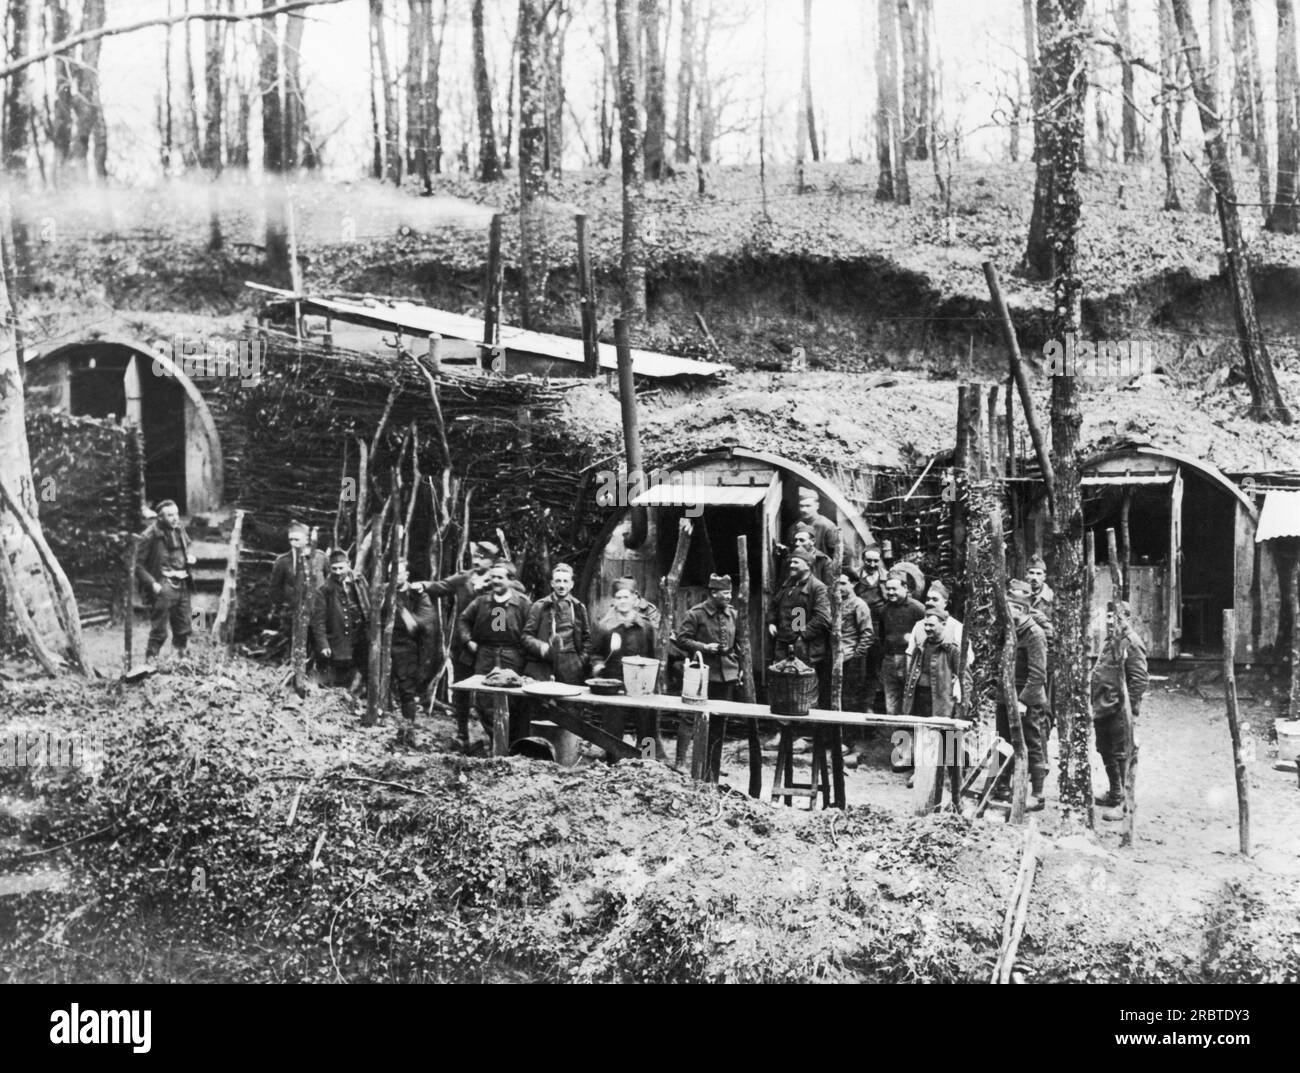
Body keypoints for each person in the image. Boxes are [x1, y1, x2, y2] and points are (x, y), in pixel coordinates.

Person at [421, 540, 509, 742]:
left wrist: (489, 584)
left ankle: (496, 737)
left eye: (483, 558)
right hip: (464, 645)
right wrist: (423, 585)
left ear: (493, 561)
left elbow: (515, 586)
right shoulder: (465, 578)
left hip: (490, 647)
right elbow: (442, 586)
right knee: (462, 691)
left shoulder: (499, 579)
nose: (478, 561)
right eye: (476, 557)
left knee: (488, 694)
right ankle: (462, 733)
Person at [672, 574, 740, 778]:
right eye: (725, 593)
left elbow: (739, 643)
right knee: (690, 718)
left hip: (726, 673)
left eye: (730, 592)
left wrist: (740, 667)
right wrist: (703, 647)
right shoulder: (696, 614)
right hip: (700, 673)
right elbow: (682, 639)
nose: (729, 596)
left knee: (719, 719)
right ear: (713, 593)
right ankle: (681, 762)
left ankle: (713, 763)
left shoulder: (733, 614)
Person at [1091, 600, 1148, 821]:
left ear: (1126, 617)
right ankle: (1115, 792)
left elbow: (1140, 680)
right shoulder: (1110, 641)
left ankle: (1125, 802)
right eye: (1108, 617)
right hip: (1103, 706)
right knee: (1104, 749)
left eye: (1115, 617)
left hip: (1118, 710)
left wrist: (1128, 708)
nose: (1111, 621)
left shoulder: (1130, 642)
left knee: (1121, 753)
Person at [996, 579, 1051, 811]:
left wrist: (1022, 701)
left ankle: (1037, 794)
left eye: (1011, 607)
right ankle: (1001, 786)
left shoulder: (1034, 634)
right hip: (1005, 694)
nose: (1007, 611)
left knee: (1032, 742)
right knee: (1002, 740)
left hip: (1027, 698)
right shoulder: (1008, 630)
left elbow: (1038, 674)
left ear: (1021, 609)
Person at [591, 579, 660, 759]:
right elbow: (595, 653)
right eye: (618, 597)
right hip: (614, 683)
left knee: (647, 725)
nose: (622, 601)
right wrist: (597, 665)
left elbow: (653, 656)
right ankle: (613, 762)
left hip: (642, 684)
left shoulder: (646, 626)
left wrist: (653, 683)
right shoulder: (605, 626)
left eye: (626, 597)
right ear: (614, 600)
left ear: (635, 599)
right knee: (613, 726)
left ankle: (648, 760)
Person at [767, 549, 833, 706]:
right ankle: (783, 727)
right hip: (782, 644)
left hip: (805, 648)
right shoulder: (787, 584)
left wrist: (802, 636)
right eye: (791, 562)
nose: (791, 565)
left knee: (804, 687)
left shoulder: (818, 588)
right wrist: (771, 622)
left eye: (796, 562)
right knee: (781, 685)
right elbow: (773, 605)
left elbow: (823, 618)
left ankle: (805, 728)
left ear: (808, 565)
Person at [135, 500, 197, 666]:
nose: (175, 518)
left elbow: (187, 546)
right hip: (164, 585)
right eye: (170, 515)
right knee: (159, 630)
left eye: (176, 514)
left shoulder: (179, 530)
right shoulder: (149, 536)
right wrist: (153, 584)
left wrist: (188, 557)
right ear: (160, 518)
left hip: (183, 583)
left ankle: (180, 660)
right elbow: (138, 566)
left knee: (184, 625)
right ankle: (149, 663)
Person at [522, 563, 592, 685]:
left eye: (565, 581)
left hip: (570, 666)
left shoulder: (579, 608)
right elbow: (526, 637)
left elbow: (587, 639)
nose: (561, 585)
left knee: (568, 702)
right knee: (542, 701)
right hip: (543, 664)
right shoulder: (539, 606)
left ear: (571, 585)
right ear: (552, 583)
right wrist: (541, 647)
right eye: (558, 581)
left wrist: (580, 661)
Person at [458, 562, 532, 676]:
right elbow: (463, 619)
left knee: (511, 687)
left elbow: (531, 629)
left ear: (510, 580)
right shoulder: (481, 601)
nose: (496, 581)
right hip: (485, 654)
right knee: (481, 688)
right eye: (493, 577)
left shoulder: (523, 603)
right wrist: (468, 640)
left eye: (500, 578)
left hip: (512, 654)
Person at [314, 550, 371, 689]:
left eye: (341, 568)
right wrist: (324, 644)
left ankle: (356, 698)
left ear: (349, 565)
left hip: (361, 634)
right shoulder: (325, 589)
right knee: (341, 673)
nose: (338, 572)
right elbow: (318, 621)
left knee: (364, 667)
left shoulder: (359, 580)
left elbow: (368, 601)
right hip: (339, 638)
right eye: (334, 568)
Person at [391, 562, 437, 722]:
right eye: (392, 573)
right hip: (385, 644)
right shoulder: (384, 590)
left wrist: (410, 619)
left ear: (407, 575)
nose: (395, 577)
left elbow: (428, 617)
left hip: (407, 646)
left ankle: (407, 726)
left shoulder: (417, 594)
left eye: (398, 573)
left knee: (406, 688)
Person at [268, 522, 329, 641]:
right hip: (294, 612)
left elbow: (329, 581)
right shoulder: (283, 561)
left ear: (306, 540)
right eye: (291, 539)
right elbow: (274, 588)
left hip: (319, 612)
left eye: (296, 539)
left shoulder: (320, 557)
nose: (293, 543)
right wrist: (286, 606)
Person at [904, 608, 966, 720]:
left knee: (949, 735)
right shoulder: (919, 647)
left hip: (943, 703)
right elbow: (910, 676)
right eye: (925, 625)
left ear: (943, 625)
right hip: (919, 699)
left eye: (931, 625)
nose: (927, 628)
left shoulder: (952, 649)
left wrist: (960, 709)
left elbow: (964, 680)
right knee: (921, 734)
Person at [879, 570, 925, 716]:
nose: (891, 592)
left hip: (910, 660)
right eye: (888, 589)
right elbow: (882, 636)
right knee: (891, 698)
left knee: (910, 698)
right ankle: (892, 734)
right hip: (890, 659)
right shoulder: (884, 610)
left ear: (905, 588)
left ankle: (909, 732)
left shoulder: (917, 609)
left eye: (894, 589)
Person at [835, 574, 875, 712]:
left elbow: (867, 633)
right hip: (835, 658)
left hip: (850, 658)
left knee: (850, 698)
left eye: (843, 583)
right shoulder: (834, 603)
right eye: (837, 584)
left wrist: (857, 656)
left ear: (852, 584)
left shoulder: (859, 604)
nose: (839, 588)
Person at [906, 580, 964, 656]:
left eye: (935, 599)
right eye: (928, 599)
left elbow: (965, 659)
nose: (930, 602)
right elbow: (910, 654)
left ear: (945, 603)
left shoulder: (956, 627)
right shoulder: (919, 625)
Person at [785, 487, 842, 562]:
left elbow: (837, 555)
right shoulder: (794, 527)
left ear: (817, 506)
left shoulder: (827, 526)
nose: (804, 510)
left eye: (808, 506)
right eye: (801, 506)